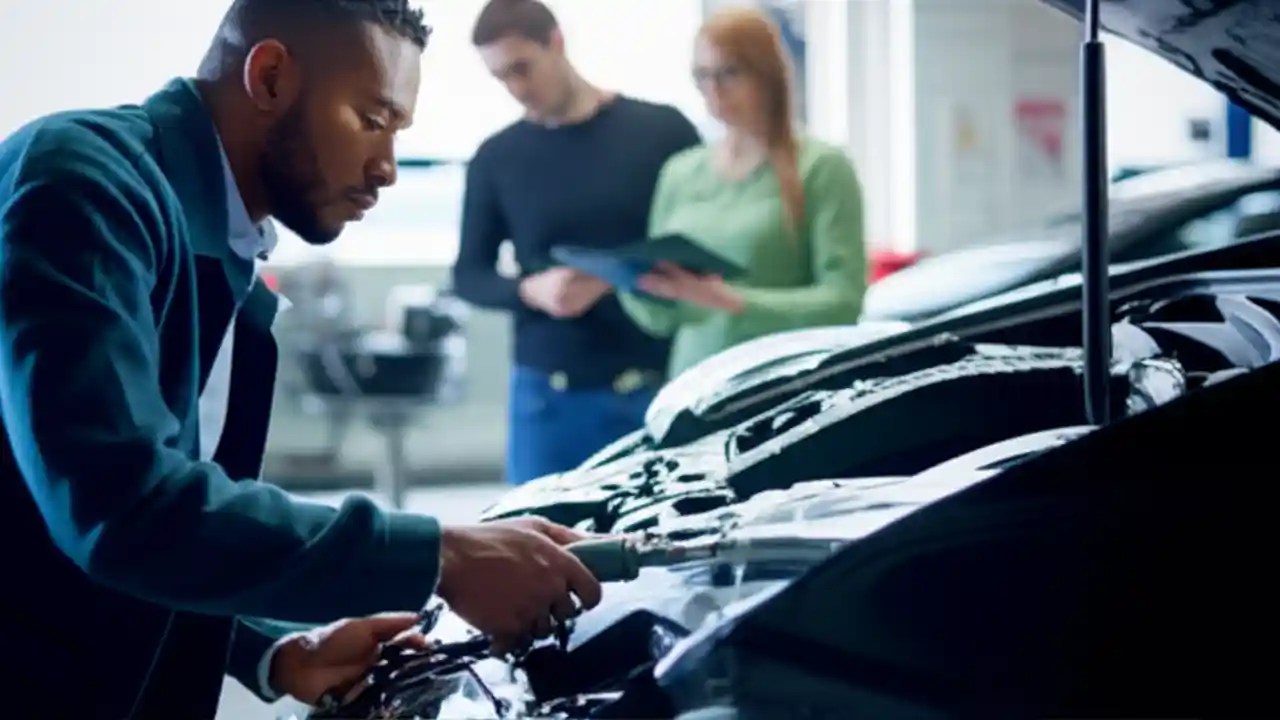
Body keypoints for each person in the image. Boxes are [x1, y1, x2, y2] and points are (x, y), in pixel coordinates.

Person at [0, 1, 602, 717]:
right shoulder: (84, 182)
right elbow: (117, 505)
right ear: (272, 76)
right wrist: (438, 555)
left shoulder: (229, 249)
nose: (386, 169)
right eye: (371, 120)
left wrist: (272, 649)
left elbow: (173, 533)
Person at [452, 0, 702, 486]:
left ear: (557, 42)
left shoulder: (662, 132)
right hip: (549, 396)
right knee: (536, 552)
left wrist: (612, 279)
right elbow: (469, 275)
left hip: (657, 383)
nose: (516, 88)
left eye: (522, 68)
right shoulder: (496, 158)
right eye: (501, 77)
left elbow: (698, 244)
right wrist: (530, 290)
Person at [618, 8, 868, 378]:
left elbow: (843, 300)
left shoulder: (821, 167)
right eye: (702, 76)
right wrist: (634, 285)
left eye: (729, 73)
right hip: (695, 383)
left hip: (782, 381)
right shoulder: (680, 173)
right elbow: (661, 320)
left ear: (766, 74)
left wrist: (734, 301)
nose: (713, 91)